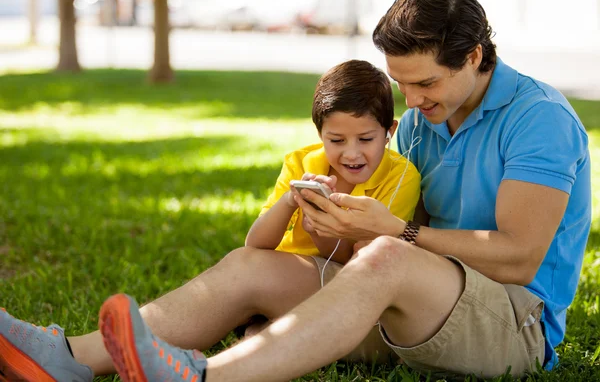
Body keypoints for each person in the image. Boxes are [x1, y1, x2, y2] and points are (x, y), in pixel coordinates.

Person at [0, 59, 420, 381]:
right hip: (283, 285)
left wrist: (329, 234)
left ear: (390, 131)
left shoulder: (400, 176)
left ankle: (76, 358)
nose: (351, 153)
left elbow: (363, 271)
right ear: (319, 136)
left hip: (343, 296)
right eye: (336, 140)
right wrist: (292, 205)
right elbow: (257, 243)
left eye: (366, 139)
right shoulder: (303, 163)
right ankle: (90, 357)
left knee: (251, 297)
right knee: (250, 291)